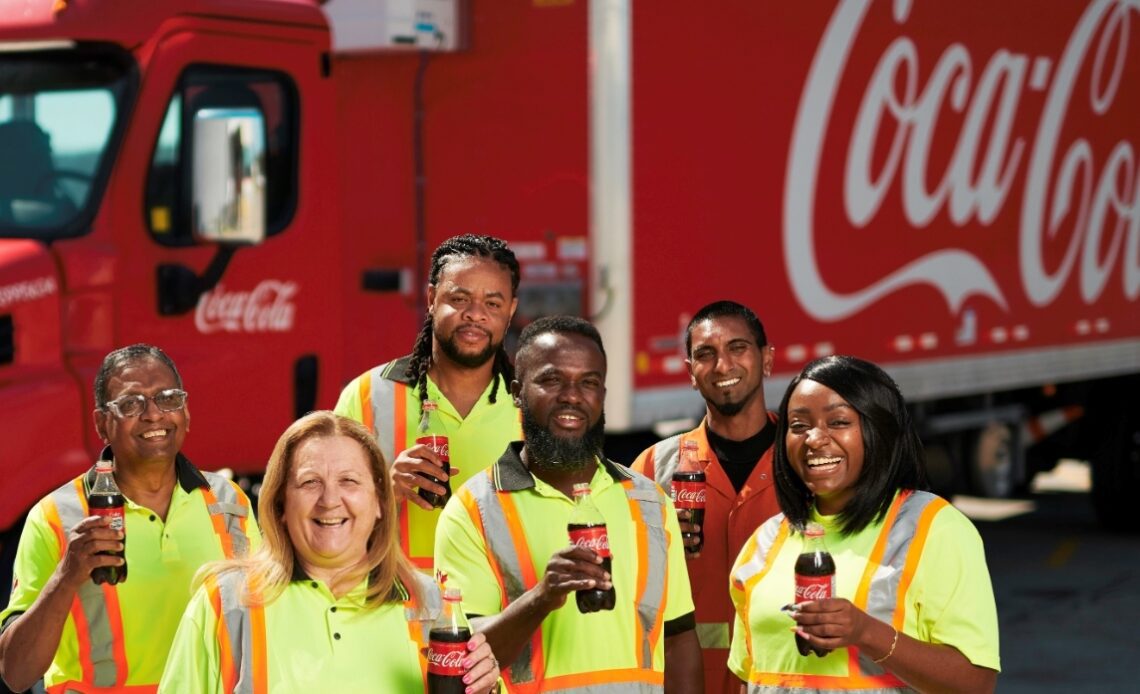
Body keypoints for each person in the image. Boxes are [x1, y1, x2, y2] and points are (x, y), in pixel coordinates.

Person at [435, 315, 704, 693]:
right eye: (551, 380)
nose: (572, 396)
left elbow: (678, 641)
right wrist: (542, 597)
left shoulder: (650, 502)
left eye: (588, 383)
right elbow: (462, 658)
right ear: (516, 391)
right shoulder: (473, 511)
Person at [158, 411, 500, 692]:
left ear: (380, 502)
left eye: (349, 481)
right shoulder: (226, 603)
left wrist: (485, 685)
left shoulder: (432, 607)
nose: (330, 500)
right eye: (310, 483)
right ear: (280, 504)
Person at [728, 355, 1000, 692]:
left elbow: (976, 683)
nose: (814, 438)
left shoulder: (932, 527)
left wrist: (866, 633)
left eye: (838, 422)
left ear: (878, 430)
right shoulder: (765, 541)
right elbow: (750, 678)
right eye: (798, 426)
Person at [0, 344, 260, 693]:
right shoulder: (55, 516)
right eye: (130, 404)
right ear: (101, 424)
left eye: (168, 398)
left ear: (186, 411)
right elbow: (15, 672)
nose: (154, 414)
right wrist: (66, 576)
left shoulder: (230, 502)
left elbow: (264, 626)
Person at [334, 234, 522, 571]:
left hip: (498, 611)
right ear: (432, 298)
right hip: (395, 605)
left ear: (511, 310)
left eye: (492, 303)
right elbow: (323, 512)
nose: (475, 315)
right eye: (460, 298)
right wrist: (385, 489)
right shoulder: (368, 395)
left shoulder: (531, 403)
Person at [631, 300, 780, 693]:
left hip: (783, 676)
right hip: (690, 681)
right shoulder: (654, 466)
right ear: (691, 373)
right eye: (706, 354)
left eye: (737, 348)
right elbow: (627, 580)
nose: (723, 365)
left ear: (767, 359)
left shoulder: (802, 461)